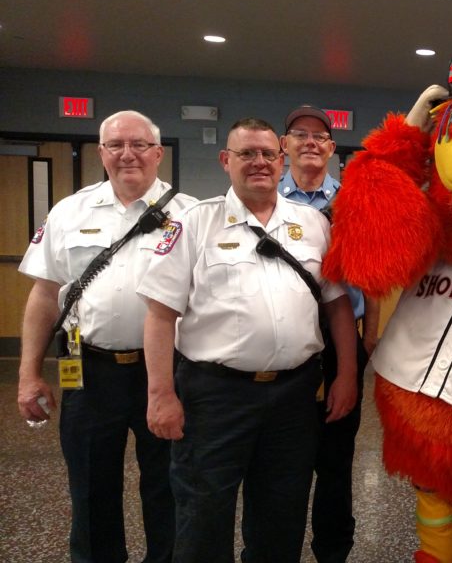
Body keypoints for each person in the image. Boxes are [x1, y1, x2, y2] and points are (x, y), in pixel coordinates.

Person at [139, 117, 358, 563]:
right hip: (215, 396)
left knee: (282, 513)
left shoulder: (314, 224)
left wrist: (348, 377)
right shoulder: (195, 224)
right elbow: (160, 315)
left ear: (281, 161)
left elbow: (337, 307)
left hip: (294, 395)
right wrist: (161, 393)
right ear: (226, 161)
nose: (259, 163)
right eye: (246, 154)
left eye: (267, 154)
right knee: (203, 514)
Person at [17, 110, 196, 563]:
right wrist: (28, 374)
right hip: (90, 372)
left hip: (167, 374)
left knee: (169, 485)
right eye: (115, 145)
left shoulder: (191, 214)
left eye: (138, 144)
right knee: (91, 487)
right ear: (101, 153)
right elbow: (43, 295)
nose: (127, 154)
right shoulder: (70, 212)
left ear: (158, 153)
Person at [278, 104, 380, 562]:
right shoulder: (264, 198)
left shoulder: (353, 202)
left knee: (336, 458)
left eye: (320, 136)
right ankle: (277, 546)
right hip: (285, 341)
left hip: (342, 342)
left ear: (332, 149)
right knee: (283, 457)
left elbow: (372, 275)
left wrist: (369, 338)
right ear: (285, 145)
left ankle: (333, 550)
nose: (310, 142)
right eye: (300, 134)